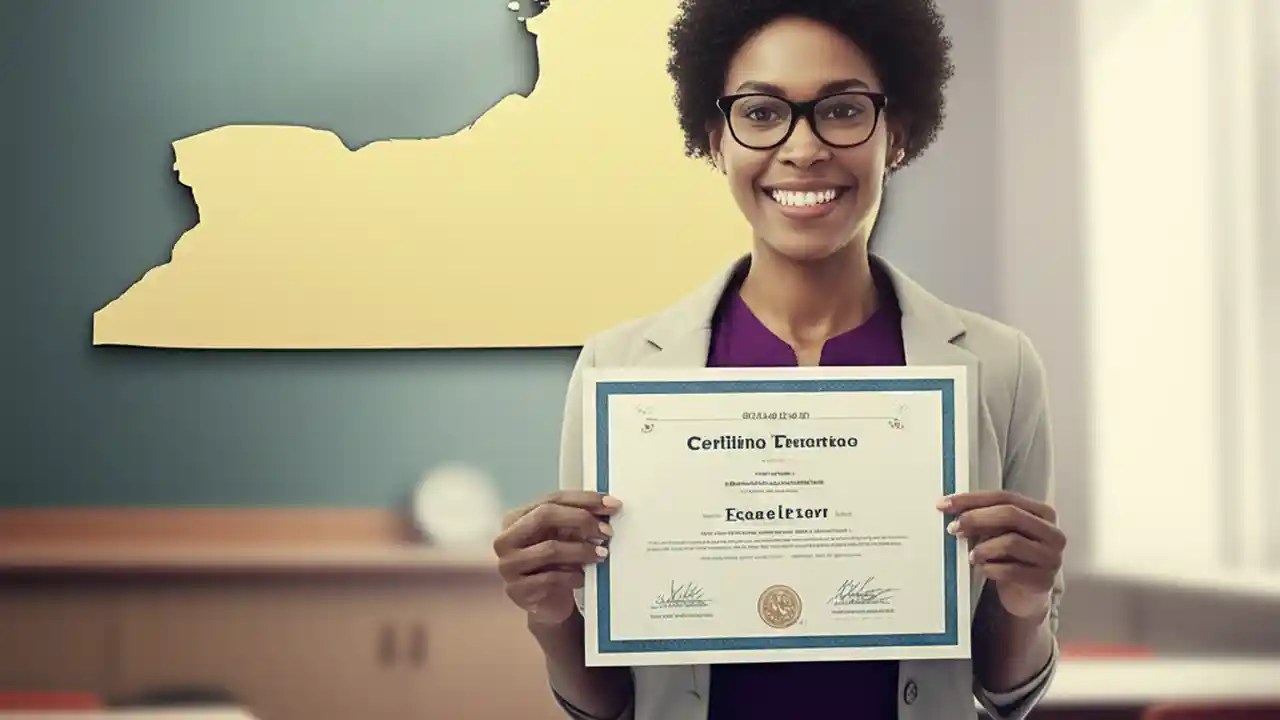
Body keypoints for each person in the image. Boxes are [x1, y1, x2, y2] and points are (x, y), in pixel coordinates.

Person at [492, 0, 1067, 718]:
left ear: (898, 135)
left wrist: (1026, 600)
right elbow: (606, 706)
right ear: (715, 139)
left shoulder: (1001, 368)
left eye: (844, 109)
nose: (803, 149)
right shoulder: (618, 370)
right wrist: (552, 617)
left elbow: (1003, 692)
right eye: (761, 113)